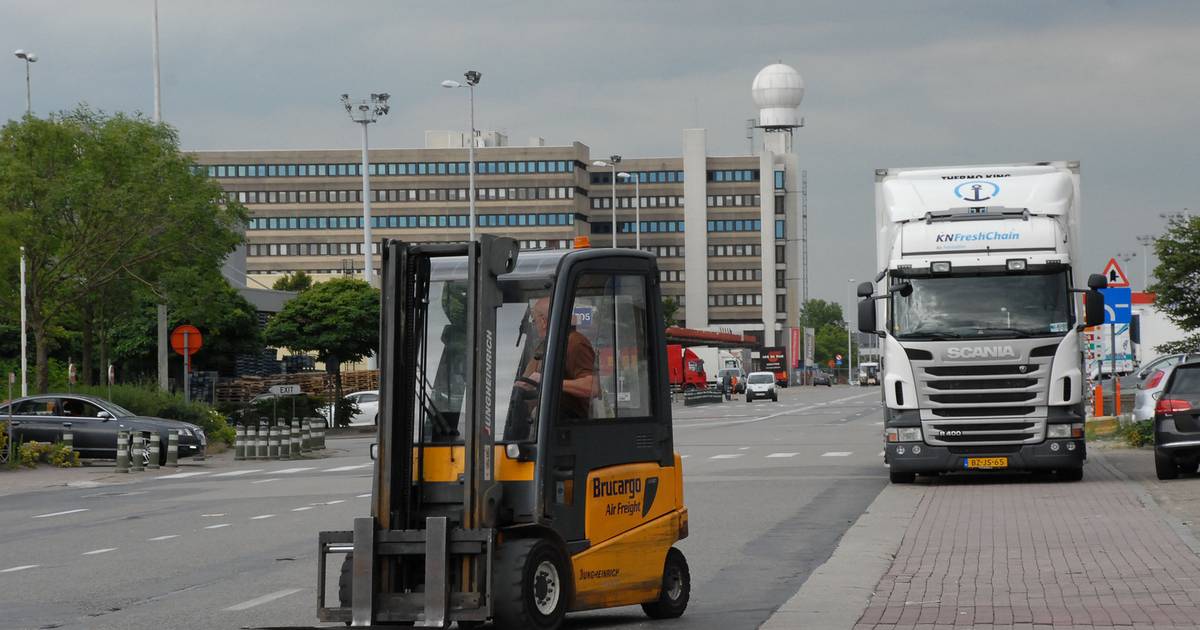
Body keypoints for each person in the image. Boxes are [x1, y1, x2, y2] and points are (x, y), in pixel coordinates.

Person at [517, 297, 596, 419]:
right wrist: (523, 386)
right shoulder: (546, 345)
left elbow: (592, 387)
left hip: (569, 424)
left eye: (534, 321)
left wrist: (546, 381)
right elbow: (531, 379)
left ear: (543, 321)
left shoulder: (575, 343)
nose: (534, 325)